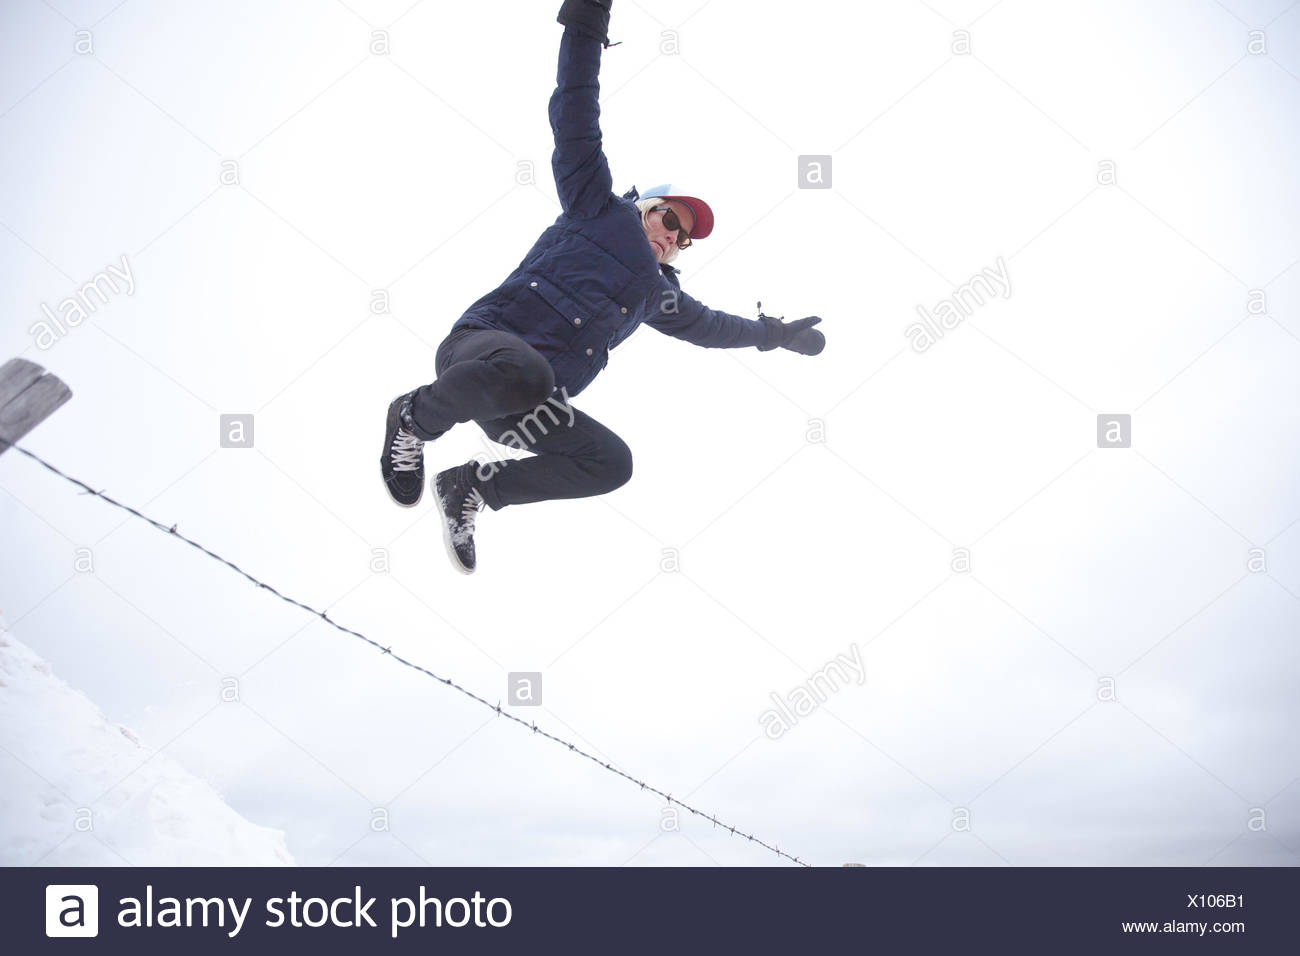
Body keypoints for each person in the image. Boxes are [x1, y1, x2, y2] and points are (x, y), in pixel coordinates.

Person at [380, 0, 826, 574]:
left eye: (683, 240)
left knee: (611, 462)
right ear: (644, 208)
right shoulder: (595, 208)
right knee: (527, 370)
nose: (672, 239)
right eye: (669, 219)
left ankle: (472, 488)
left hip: (524, 407)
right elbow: (574, 111)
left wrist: (776, 334)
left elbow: (712, 328)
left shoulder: (655, 294)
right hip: (482, 346)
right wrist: (588, 22)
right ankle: (412, 421)